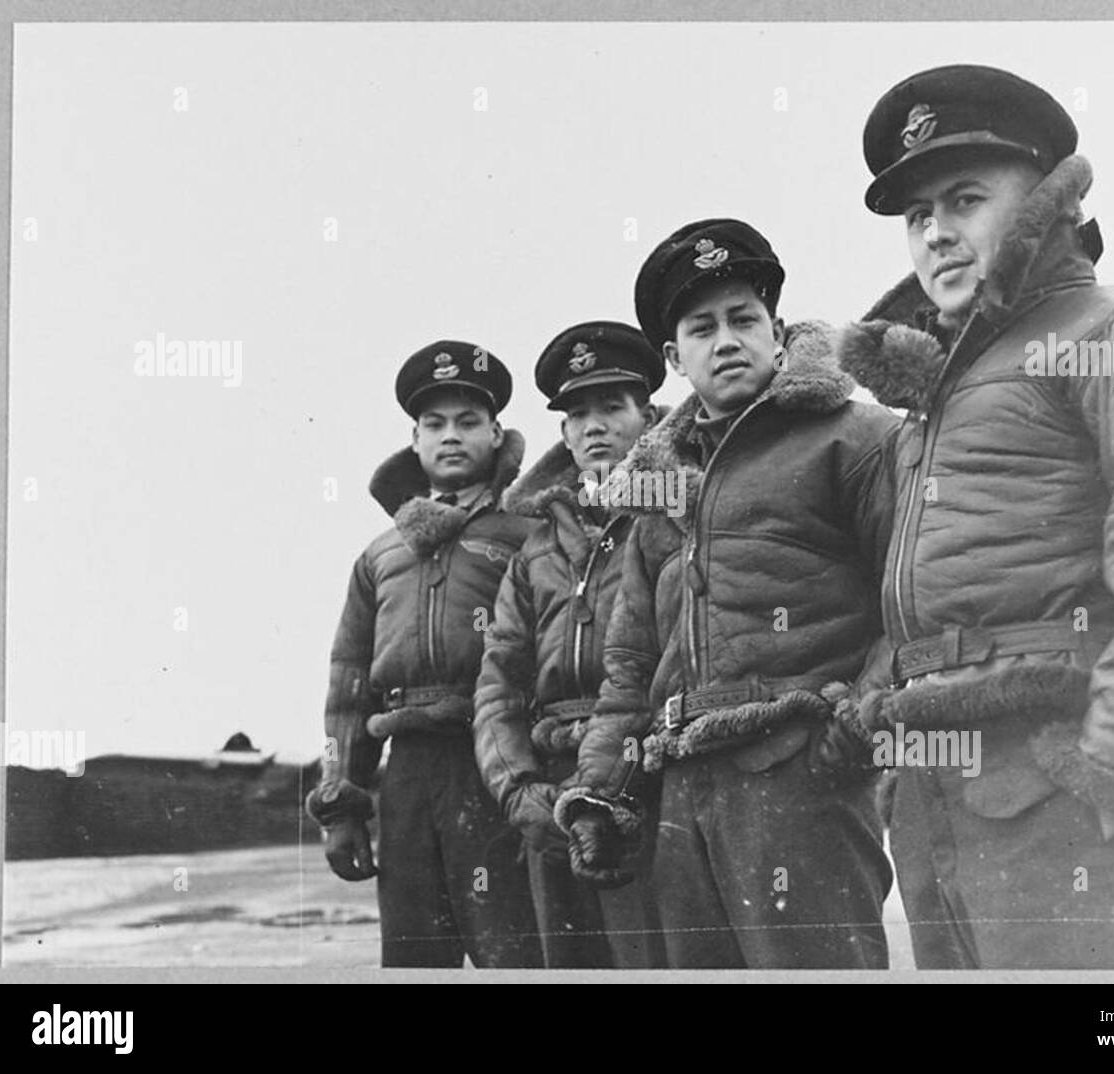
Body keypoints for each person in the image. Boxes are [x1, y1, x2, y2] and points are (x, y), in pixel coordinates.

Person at [828, 64, 1114, 969]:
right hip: (937, 798)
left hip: (1058, 796)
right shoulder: (937, 396)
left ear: (1047, 200)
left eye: (966, 198)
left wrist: (1110, 770)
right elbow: (929, 600)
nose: (937, 233)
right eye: (917, 216)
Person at [554, 219, 900, 968]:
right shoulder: (657, 491)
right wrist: (601, 787)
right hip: (680, 795)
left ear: (777, 331)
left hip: (802, 782)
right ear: (675, 359)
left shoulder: (858, 439)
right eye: (703, 328)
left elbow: (912, 597)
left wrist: (857, 722)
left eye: (744, 319)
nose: (727, 340)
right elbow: (629, 667)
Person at [305, 341, 542, 968]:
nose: (451, 436)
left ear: (496, 433)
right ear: (414, 439)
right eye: (434, 424)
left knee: (516, 954)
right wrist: (343, 804)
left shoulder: (529, 535)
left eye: (468, 422)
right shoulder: (380, 555)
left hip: (496, 764)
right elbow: (349, 685)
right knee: (414, 959)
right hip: (407, 777)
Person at [474, 321, 668, 968]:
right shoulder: (536, 550)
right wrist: (521, 793)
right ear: (562, 434)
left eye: (613, 407)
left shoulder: (670, 518)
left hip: (642, 789)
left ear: (647, 415)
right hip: (553, 801)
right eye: (578, 414)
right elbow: (499, 681)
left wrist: (613, 790)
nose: (595, 427)